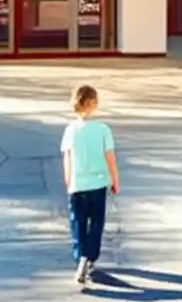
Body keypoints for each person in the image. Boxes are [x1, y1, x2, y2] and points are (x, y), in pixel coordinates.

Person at [61, 84, 120, 285]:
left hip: (77, 185)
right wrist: (115, 180)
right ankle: (89, 256)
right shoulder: (103, 129)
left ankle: (80, 258)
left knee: (77, 223)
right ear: (93, 104)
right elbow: (110, 157)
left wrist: (69, 181)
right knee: (96, 223)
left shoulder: (70, 130)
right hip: (98, 184)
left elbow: (67, 159)